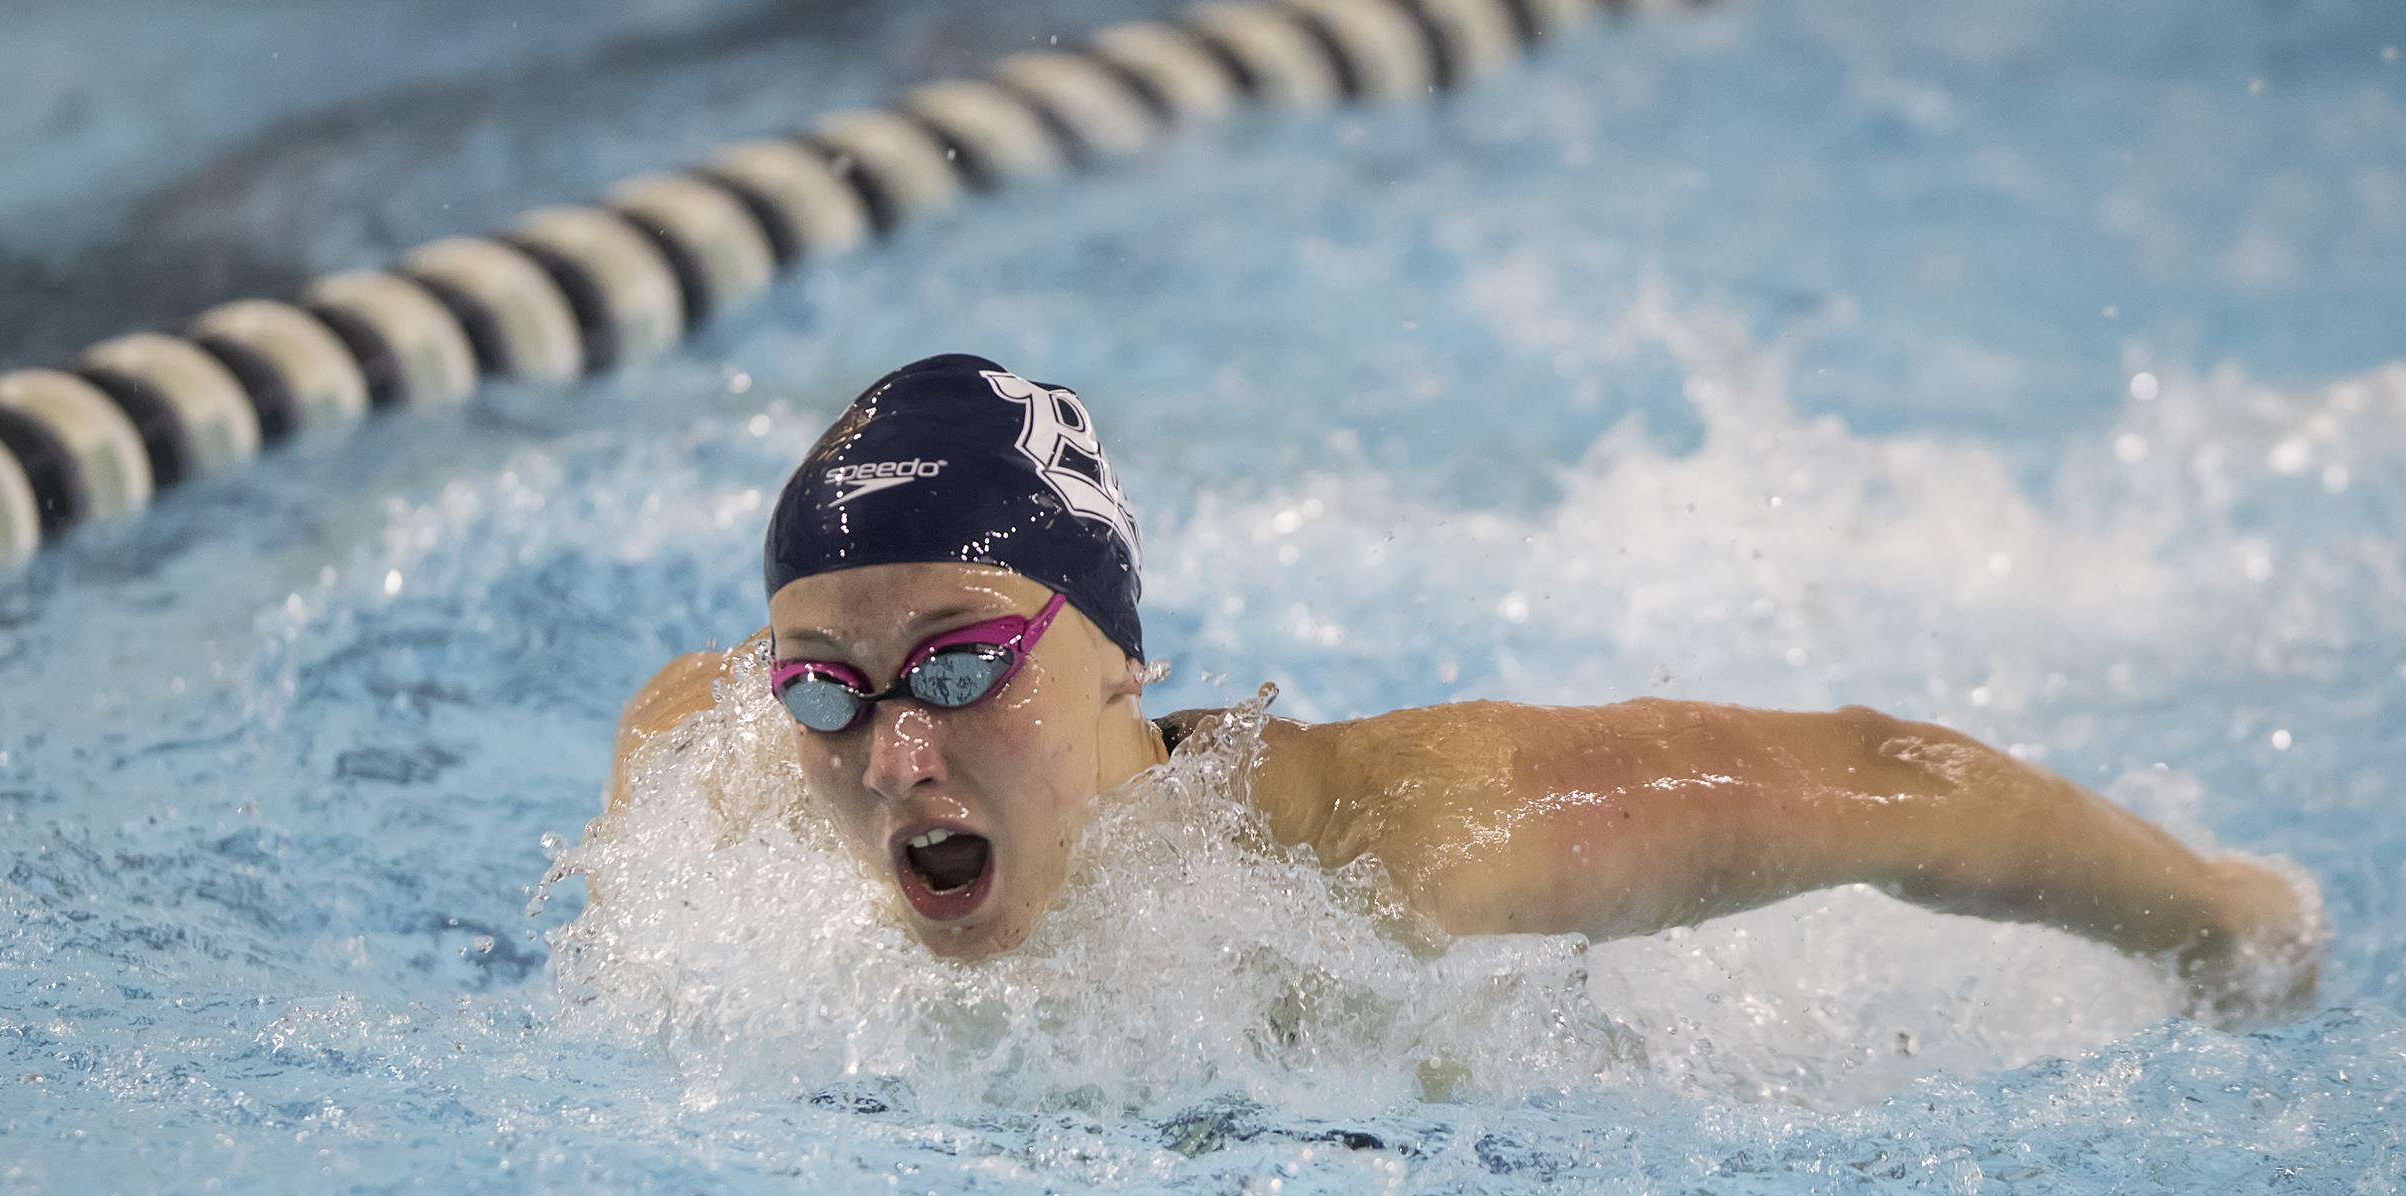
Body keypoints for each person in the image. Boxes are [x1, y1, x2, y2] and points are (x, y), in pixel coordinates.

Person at [610, 354, 2319, 1017]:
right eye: (828, 688)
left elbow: (1881, 782)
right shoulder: (745, 766)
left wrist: (2225, 923)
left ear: (1121, 654)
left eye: (963, 660)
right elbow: (685, 708)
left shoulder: (1382, 850)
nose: (896, 750)